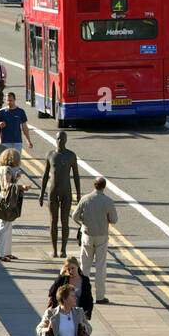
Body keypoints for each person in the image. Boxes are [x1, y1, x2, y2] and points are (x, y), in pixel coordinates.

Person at [73, 177, 118, 305]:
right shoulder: (108, 201)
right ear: (104, 187)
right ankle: (100, 296)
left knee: (84, 266)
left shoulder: (85, 199)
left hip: (87, 235)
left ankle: (82, 294)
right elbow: (114, 219)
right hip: (102, 236)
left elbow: (74, 216)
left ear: (94, 185)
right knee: (100, 267)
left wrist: (84, 219)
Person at [40, 132, 82, 258]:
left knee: (65, 221)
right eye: (58, 138)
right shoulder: (50, 155)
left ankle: (63, 249)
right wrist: (41, 194)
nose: (60, 141)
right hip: (53, 191)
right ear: (55, 139)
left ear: (66, 140)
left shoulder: (71, 156)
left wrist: (78, 194)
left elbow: (76, 176)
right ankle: (54, 249)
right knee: (53, 221)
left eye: (62, 139)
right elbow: (45, 175)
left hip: (66, 192)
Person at [0, 147, 23, 262]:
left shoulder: (2, 168)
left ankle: (5, 252)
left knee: (7, 225)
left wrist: (16, 179)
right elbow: (7, 185)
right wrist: (21, 187)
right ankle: (0, 253)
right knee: (4, 226)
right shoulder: (8, 169)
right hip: (6, 198)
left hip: (3, 196)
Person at [49, 256, 95, 321]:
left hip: (79, 315)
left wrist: (87, 314)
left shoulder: (85, 280)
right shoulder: (63, 279)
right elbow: (52, 292)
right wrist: (60, 276)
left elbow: (89, 299)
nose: (70, 271)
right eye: (68, 269)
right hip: (63, 313)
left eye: (73, 268)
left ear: (77, 266)